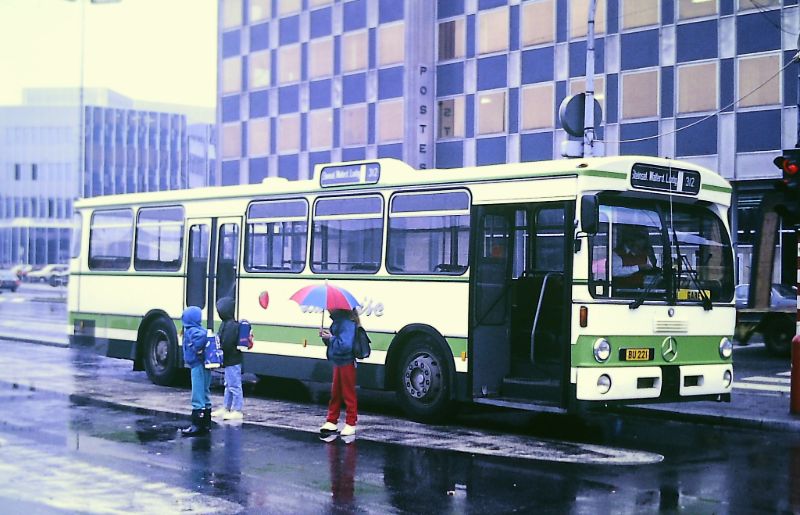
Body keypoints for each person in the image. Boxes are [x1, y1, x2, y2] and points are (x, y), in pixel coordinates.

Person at [319, 308, 359, 443]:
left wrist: (330, 338)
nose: (328, 308)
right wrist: (327, 338)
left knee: (348, 393)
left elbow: (345, 345)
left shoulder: (346, 323)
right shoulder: (340, 322)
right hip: (339, 361)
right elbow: (338, 343)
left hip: (346, 361)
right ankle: (332, 420)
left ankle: (350, 423)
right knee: (336, 392)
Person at [211, 297, 249, 421]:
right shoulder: (227, 324)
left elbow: (227, 342)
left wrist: (219, 349)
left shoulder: (231, 326)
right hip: (230, 360)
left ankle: (237, 409)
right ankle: (226, 407)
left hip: (232, 360)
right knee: (228, 385)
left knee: (234, 385)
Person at [181, 305, 212, 437]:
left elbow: (201, 338)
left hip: (196, 365)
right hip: (204, 364)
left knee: (197, 393)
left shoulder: (192, 331)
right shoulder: (199, 328)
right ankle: (206, 423)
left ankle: (197, 424)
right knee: (205, 391)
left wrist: (197, 347)